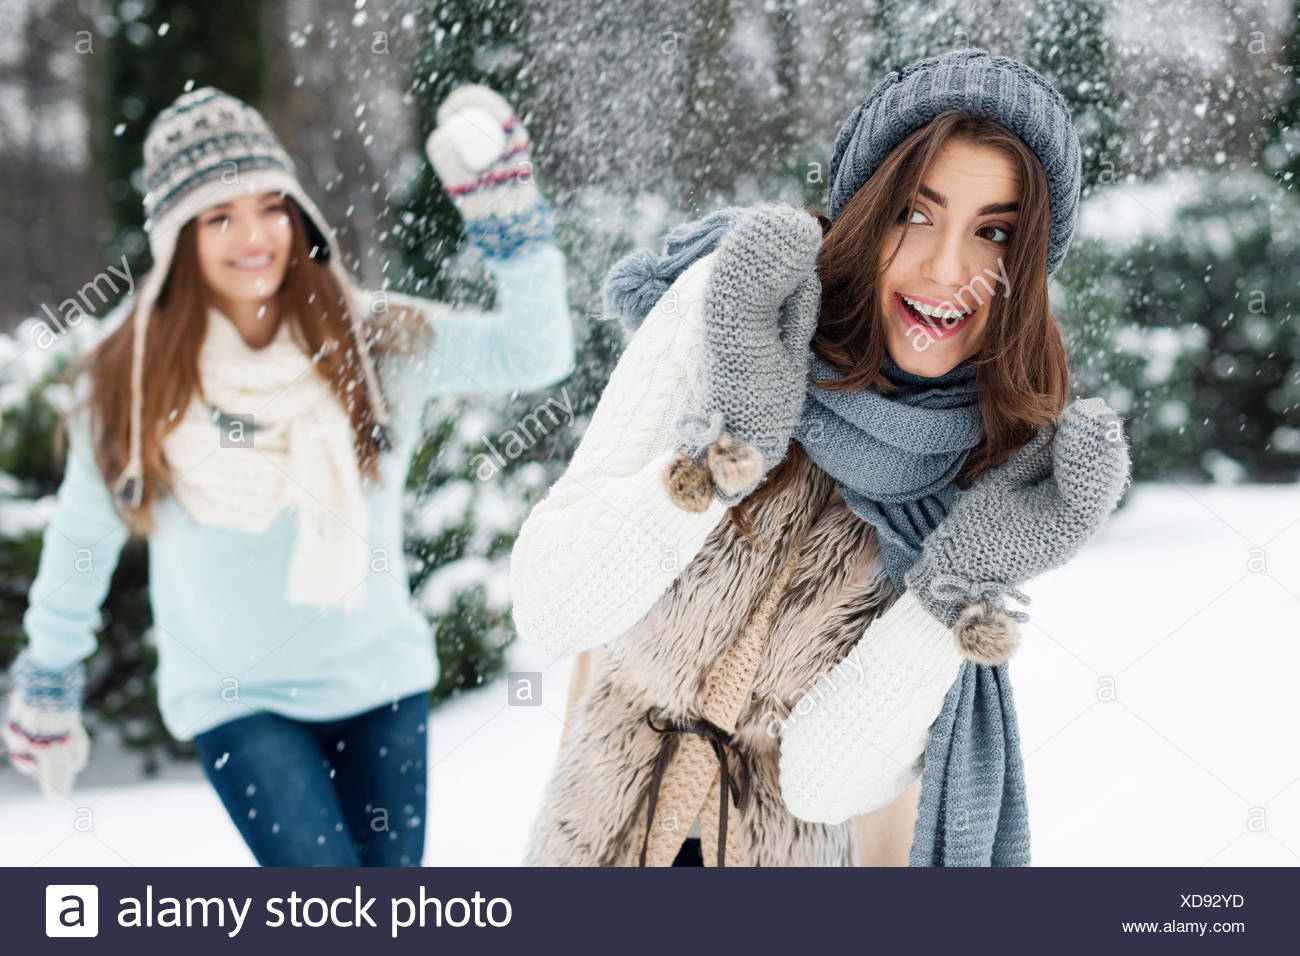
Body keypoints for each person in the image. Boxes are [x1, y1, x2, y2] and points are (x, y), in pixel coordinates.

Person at [510, 49, 1131, 867]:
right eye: (917, 211)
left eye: (994, 233)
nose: (948, 270)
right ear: (868, 207)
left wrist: (956, 584)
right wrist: (725, 451)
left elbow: (824, 779)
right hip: (597, 840)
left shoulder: (990, 458)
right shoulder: (737, 306)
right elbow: (549, 606)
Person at [2, 84, 574, 867]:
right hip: (239, 706)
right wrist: (49, 672)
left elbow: (535, 354)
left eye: (271, 206)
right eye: (218, 216)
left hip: (381, 691)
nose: (255, 235)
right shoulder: (133, 381)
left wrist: (510, 225)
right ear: (177, 238)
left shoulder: (375, 341)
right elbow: (80, 541)